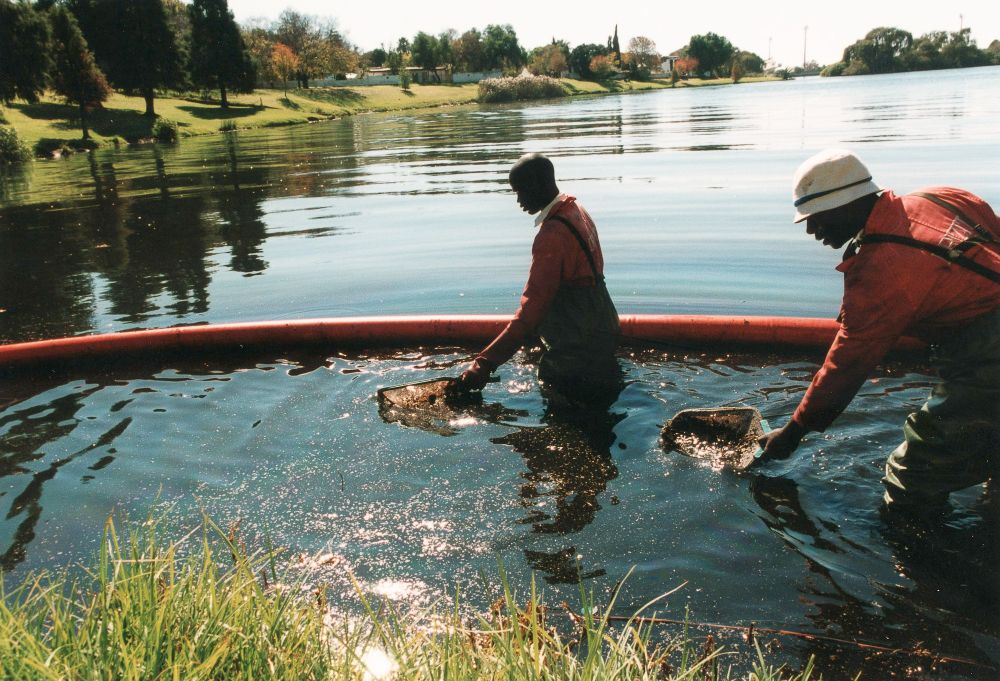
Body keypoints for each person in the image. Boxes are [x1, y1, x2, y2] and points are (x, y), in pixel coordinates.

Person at [758, 148, 1000, 514]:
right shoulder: (941, 196)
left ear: (846, 205)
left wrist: (793, 433)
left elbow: (848, 365)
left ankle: (926, 561)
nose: (811, 230)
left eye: (816, 218)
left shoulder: (879, 271)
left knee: (913, 476)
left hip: (989, 354)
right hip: (980, 339)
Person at [452, 153, 622, 405]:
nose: (519, 200)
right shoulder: (575, 210)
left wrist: (483, 365)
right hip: (603, 326)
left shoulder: (551, 235)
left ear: (539, 185)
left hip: (577, 346)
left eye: (521, 192)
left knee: (564, 409)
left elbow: (530, 311)